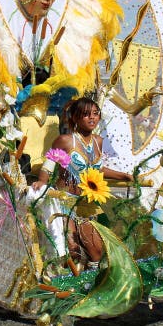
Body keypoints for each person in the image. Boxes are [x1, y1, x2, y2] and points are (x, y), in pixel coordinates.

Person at [32, 97, 132, 270]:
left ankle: (90, 281)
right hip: (63, 201)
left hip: (86, 204)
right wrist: (42, 181)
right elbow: (49, 163)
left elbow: (97, 169)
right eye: (86, 114)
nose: (92, 117)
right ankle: (68, 281)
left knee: (96, 253)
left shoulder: (98, 141)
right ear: (75, 117)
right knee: (72, 249)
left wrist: (122, 176)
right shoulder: (65, 140)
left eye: (95, 113)